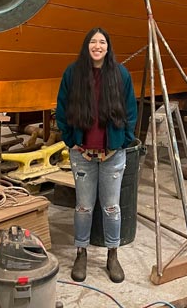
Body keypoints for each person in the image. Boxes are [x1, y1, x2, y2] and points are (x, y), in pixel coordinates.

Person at [56, 27, 137, 284]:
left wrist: (122, 142)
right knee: (83, 207)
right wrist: (71, 141)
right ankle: (81, 252)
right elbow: (61, 107)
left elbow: (131, 111)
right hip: (83, 154)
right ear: (86, 46)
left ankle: (113, 255)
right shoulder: (73, 73)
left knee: (112, 207)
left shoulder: (120, 74)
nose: (98, 46)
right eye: (93, 41)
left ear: (108, 46)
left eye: (102, 42)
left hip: (113, 154)